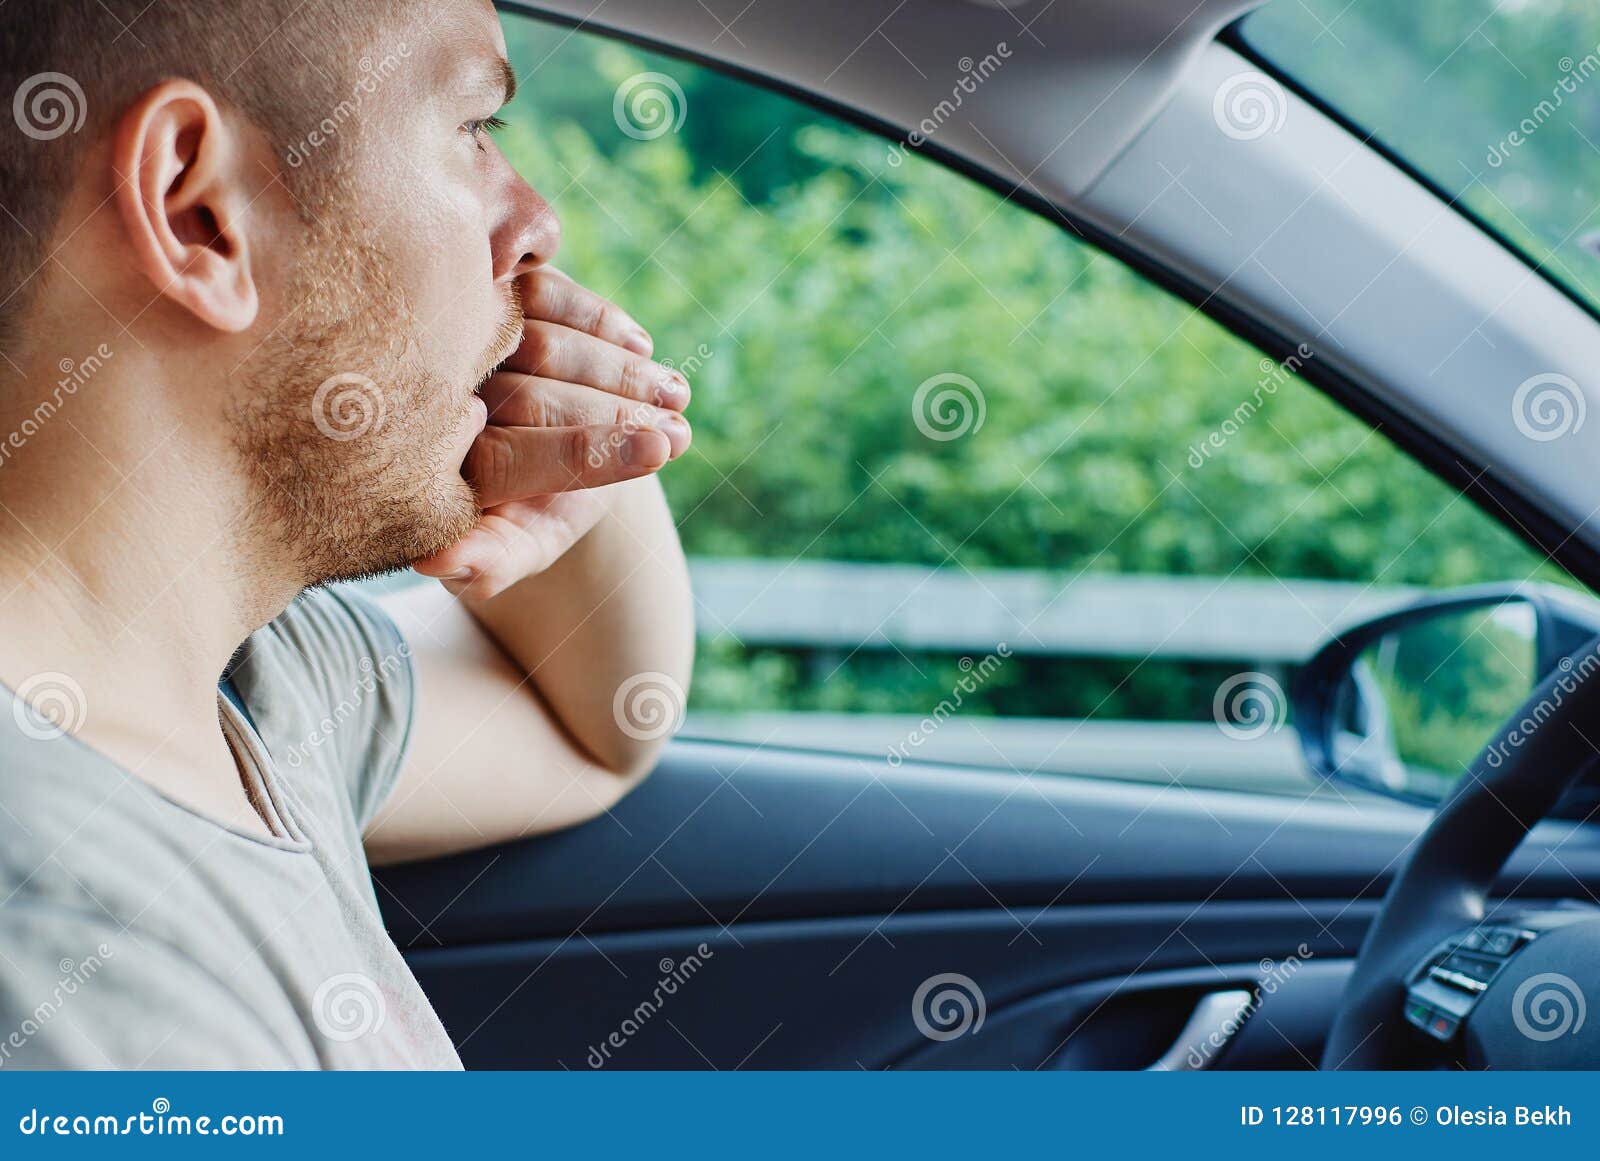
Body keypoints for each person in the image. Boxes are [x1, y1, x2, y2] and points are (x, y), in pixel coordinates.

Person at [0, 0, 695, 1067]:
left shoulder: (245, 684)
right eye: (475, 128)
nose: (538, 227)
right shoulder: (71, 968)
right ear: (199, 213)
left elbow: (596, 727)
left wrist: (565, 434)